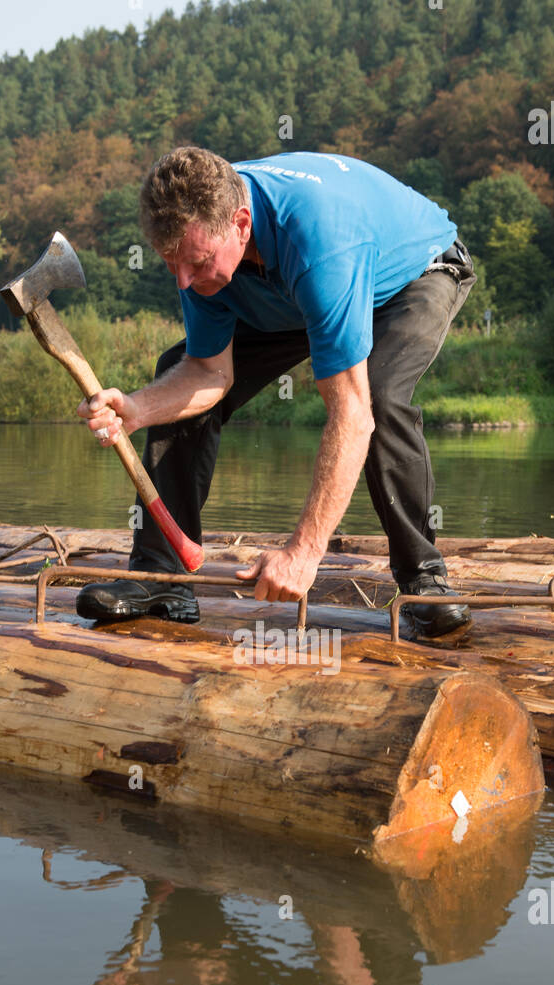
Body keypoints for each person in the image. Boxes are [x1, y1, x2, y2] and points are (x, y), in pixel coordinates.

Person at [76, 146, 476, 639]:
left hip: (411, 275)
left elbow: (352, 416)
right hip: (297, 290)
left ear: (241, 224)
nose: (183, 280)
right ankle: (163, 579)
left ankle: (424, 584)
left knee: (379, 393)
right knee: (171, 370)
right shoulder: (202, 242)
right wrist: (139, 408)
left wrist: (303, 553)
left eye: (197, 263)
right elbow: (208, 374)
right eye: (171, 263)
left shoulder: (319, 241)